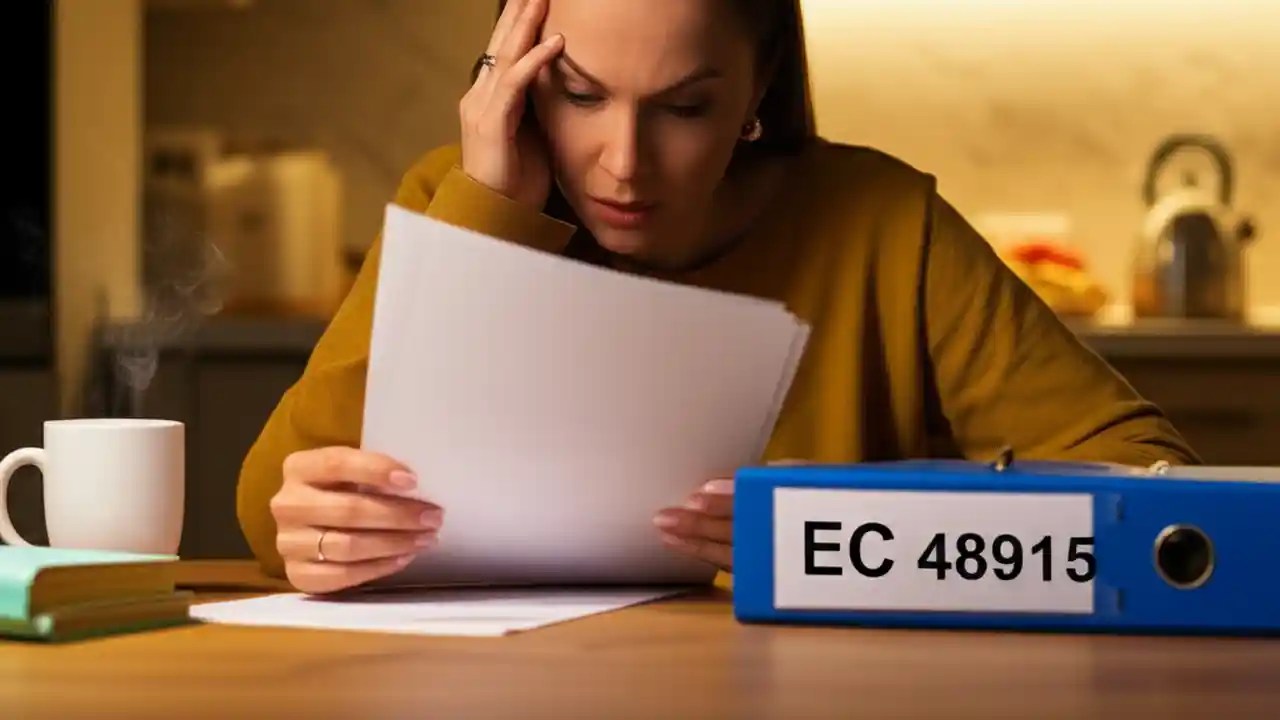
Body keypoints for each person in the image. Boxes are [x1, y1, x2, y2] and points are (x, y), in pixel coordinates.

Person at [236, 0, 1199, 595]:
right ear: (514, 77)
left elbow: (1156, 488)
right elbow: (271, 514)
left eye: (685, 107)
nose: (624, 162)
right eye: (579, 95)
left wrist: (830, 531)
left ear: (756, 90)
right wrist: (491, 213)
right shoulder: (462, 198)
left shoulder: (881, 223)